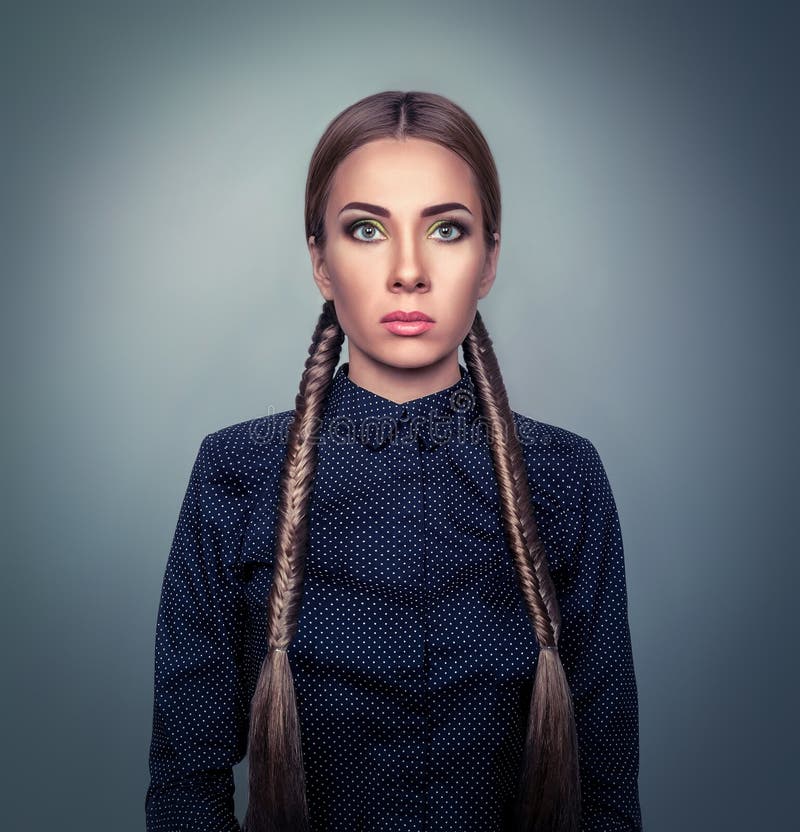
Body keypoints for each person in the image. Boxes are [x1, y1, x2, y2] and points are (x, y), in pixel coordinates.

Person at [145, 90, 642, 832]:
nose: (408, 271)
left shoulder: (565, 475)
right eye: (366, 229)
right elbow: (187, 783)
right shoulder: (237, 471)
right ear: (320, 259)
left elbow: (605, 791)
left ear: (489, 259)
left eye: (446, 228)